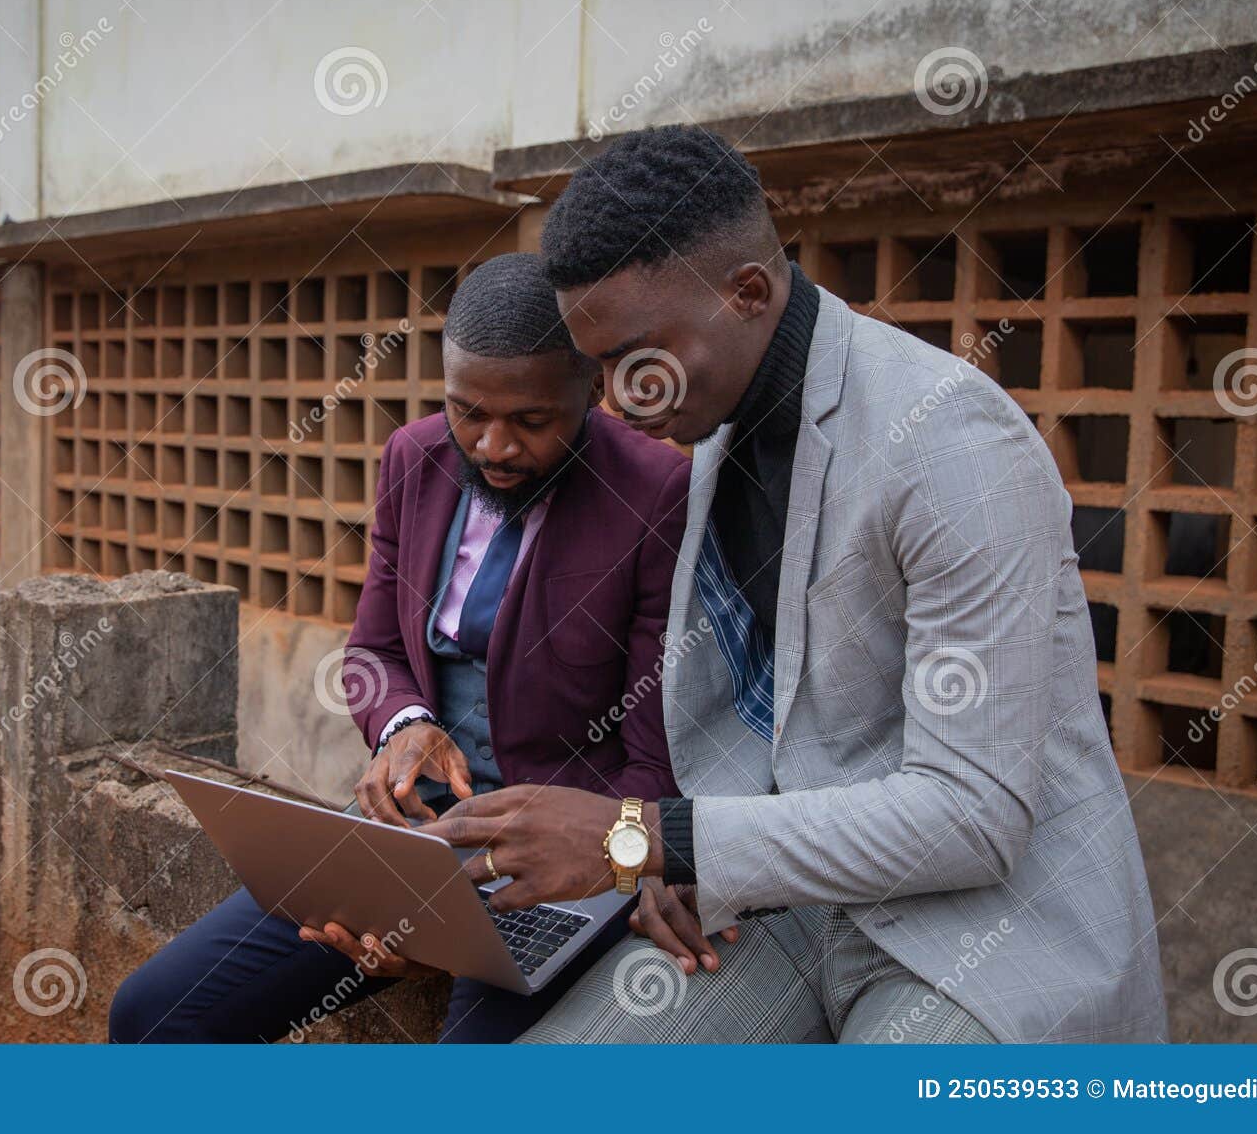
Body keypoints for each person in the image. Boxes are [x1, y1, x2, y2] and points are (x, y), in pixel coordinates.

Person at [424, 126, 1169, 1044]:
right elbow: (778, 724)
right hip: (784, 908)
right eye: (600, 367)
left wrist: (646, 836)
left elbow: (974, 815)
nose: (616, 400)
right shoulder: (717, 422)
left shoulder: (951, 445)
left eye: (634, 358)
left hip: (978, 928)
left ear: (748, 292)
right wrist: (676, 866)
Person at [109, 252, 688, 1043]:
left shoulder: (655, 490)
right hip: (408, 835)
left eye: (530, 420)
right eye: (467, 410)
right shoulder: (413, 459)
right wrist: (403, 725)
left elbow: (655, 762)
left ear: (590, 391)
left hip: (554, 866)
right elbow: (372, 652)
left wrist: (627, 867)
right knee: (153, 1015)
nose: (493, 446)